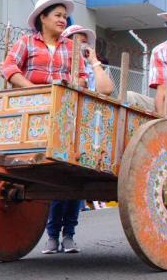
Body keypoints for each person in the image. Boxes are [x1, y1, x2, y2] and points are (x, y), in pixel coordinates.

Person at [41, 25, 116, 254]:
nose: (80, 44)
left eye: (84, 41)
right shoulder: (60, 62)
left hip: (88, 130)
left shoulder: (94, 68)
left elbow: (106, 90)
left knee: (76, 187)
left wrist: (93, 61)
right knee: (58, 186)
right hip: (63, 127)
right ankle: (52, 237)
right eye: (75, 39)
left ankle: (69, 236)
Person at [0, 0, 88, 89]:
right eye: (58, 15)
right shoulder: (26, 41)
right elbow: (8, 66)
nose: (63, 20)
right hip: (31, 99)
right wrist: (34, 89)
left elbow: (82, 77)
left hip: (62, 100)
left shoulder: (72, 46)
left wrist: (69, 87)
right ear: (43, 18)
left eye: (64, 17)